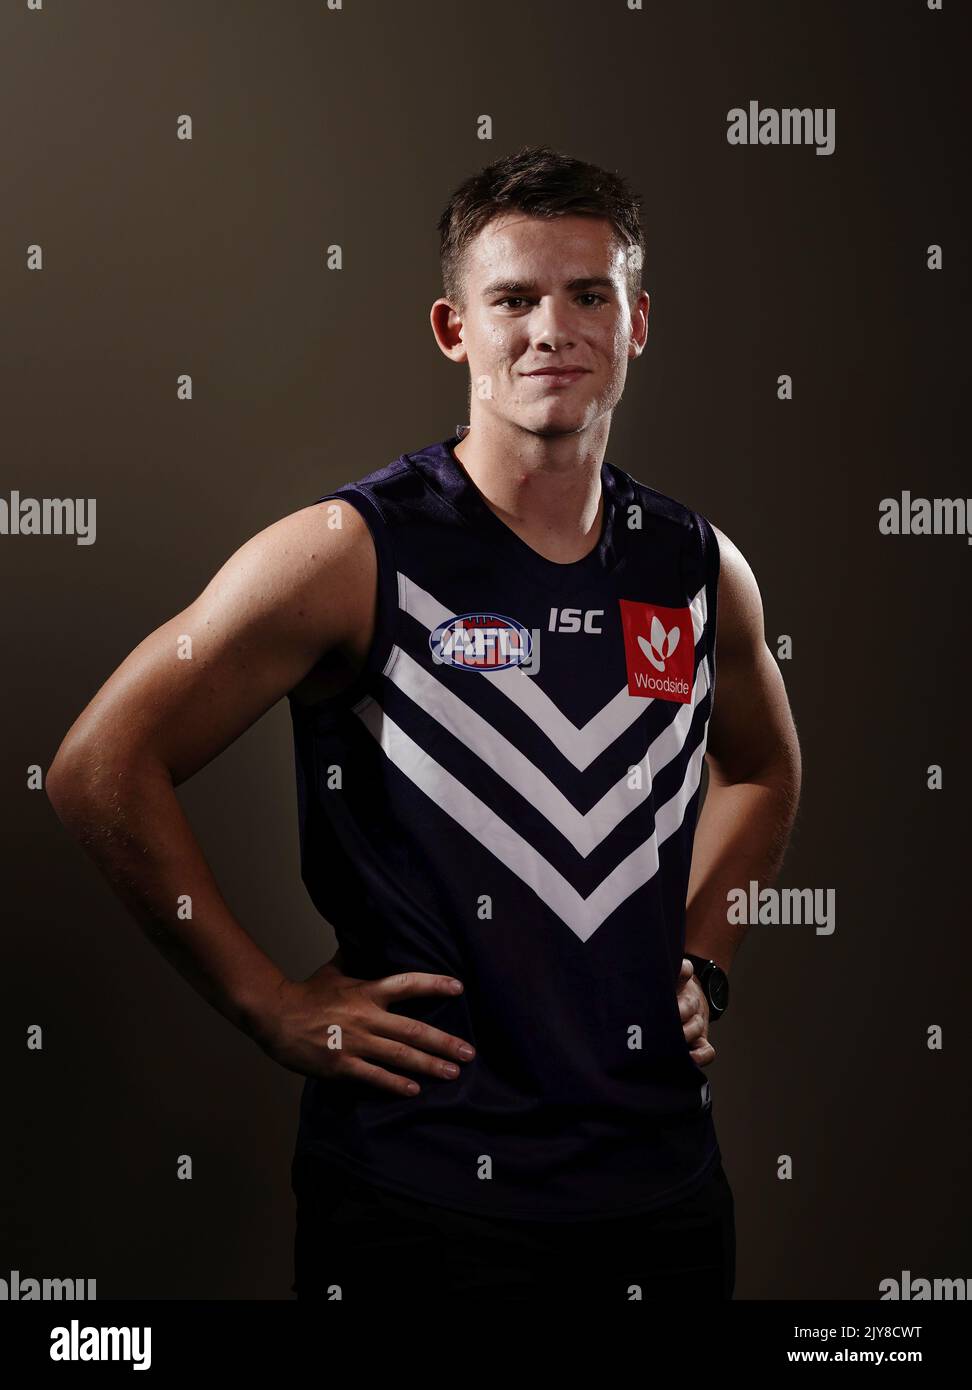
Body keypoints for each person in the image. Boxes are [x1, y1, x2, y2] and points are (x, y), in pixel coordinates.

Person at [46, 145, 801, 1304]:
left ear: (637, 322)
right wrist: (269, 1003)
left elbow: (762, 772)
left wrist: (707, 955)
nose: (553, 327)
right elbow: (99, 764)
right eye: (514, 298)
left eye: (589, 294)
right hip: (422, 1195)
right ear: (455, 329)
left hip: (661, 1190)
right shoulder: (350, 553)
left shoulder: (698, 566)